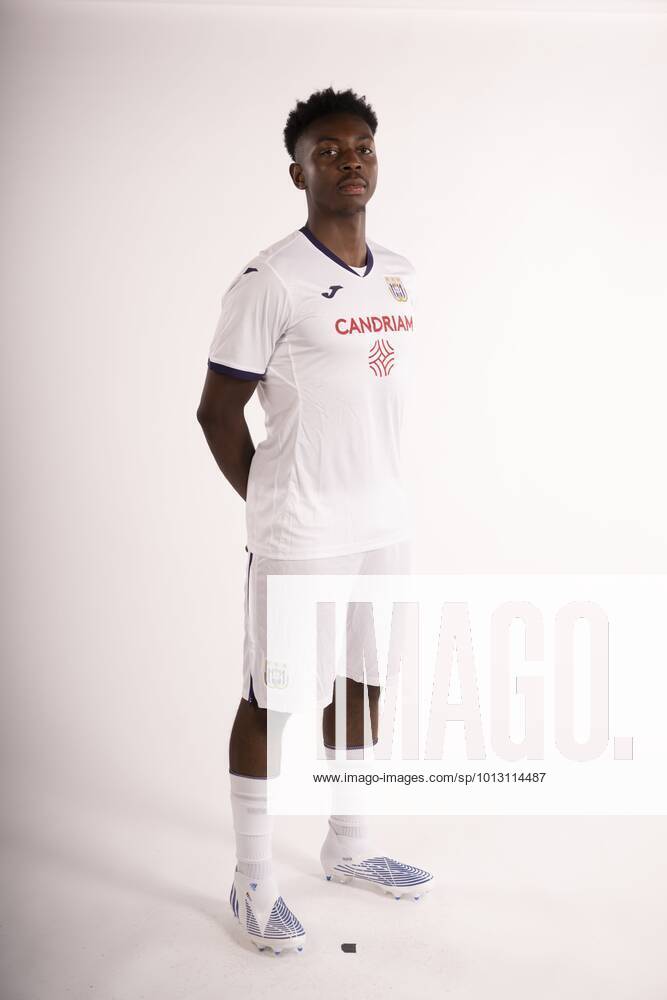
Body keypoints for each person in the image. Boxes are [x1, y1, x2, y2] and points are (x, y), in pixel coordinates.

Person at [196, 86, 433, 955]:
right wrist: (273, 504)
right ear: (296, 169)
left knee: (364, 681)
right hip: (299, 531)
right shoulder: (270, 279)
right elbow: (216, 413)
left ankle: (348, 843)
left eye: (362, 146)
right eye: (328, 150)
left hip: (382, 521)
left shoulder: (402, 270)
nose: (350, 161)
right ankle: (252, 876)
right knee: (275, 696)